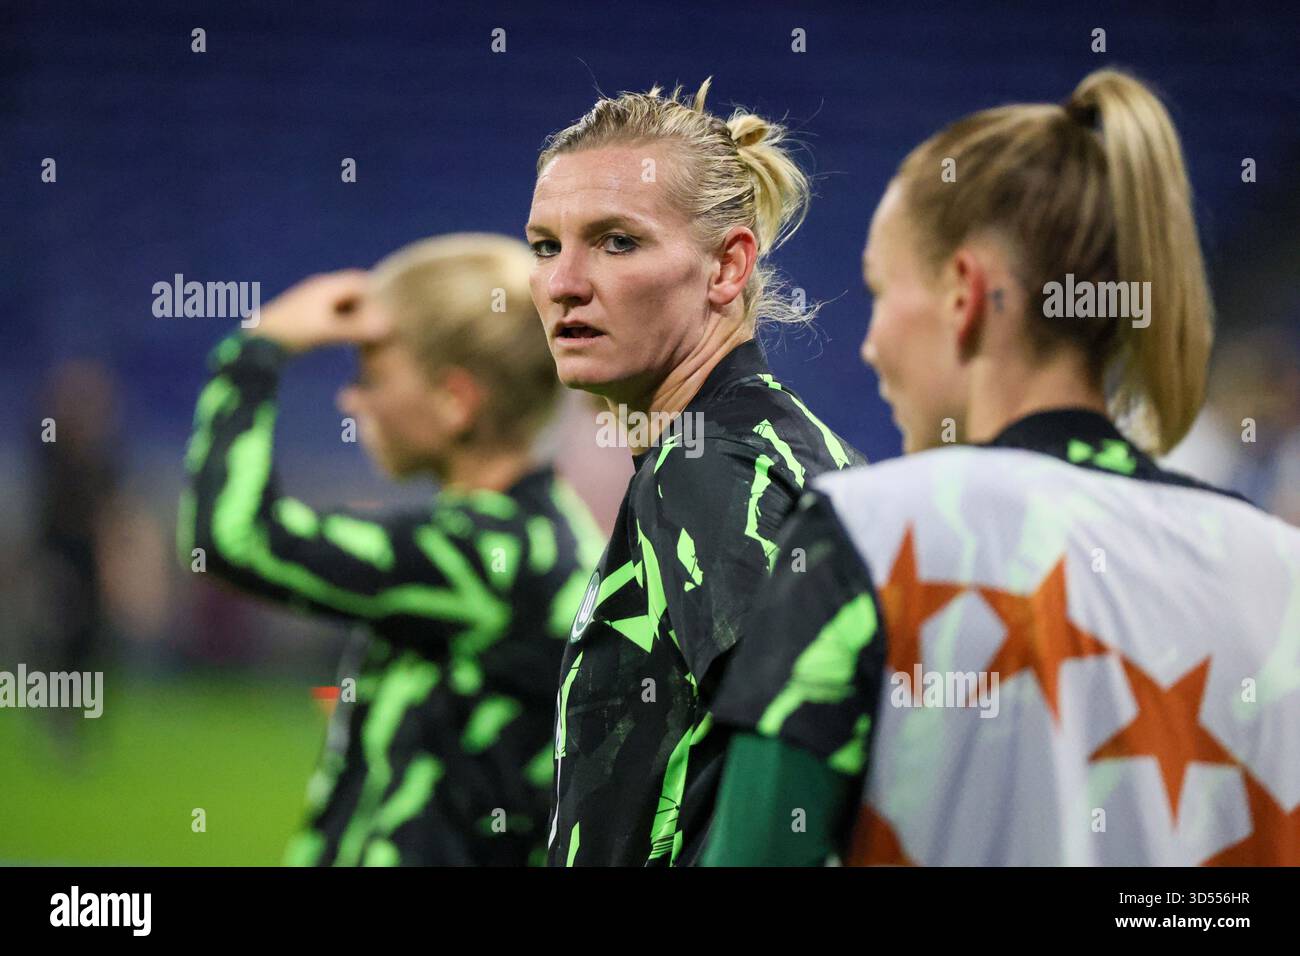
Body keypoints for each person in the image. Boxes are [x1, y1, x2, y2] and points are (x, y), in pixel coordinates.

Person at [703, 69, 1300, 865]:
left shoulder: (869, 533)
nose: (871, 345)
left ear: (965, 292)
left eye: (881, 291)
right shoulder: (1279, 568)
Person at [177, 234, 604, 866]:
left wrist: (259, 351)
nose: (352, 399)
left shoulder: (485, 558)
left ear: (455, 400)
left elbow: (234, 539)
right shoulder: (534, 534)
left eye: (371, 374)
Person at [525, 79, 865, 866]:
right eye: (547, 245)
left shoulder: (712, 472)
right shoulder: (772, 446)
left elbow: (810, 765)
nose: (564, 282)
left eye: (617, 242)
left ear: (726, 268)